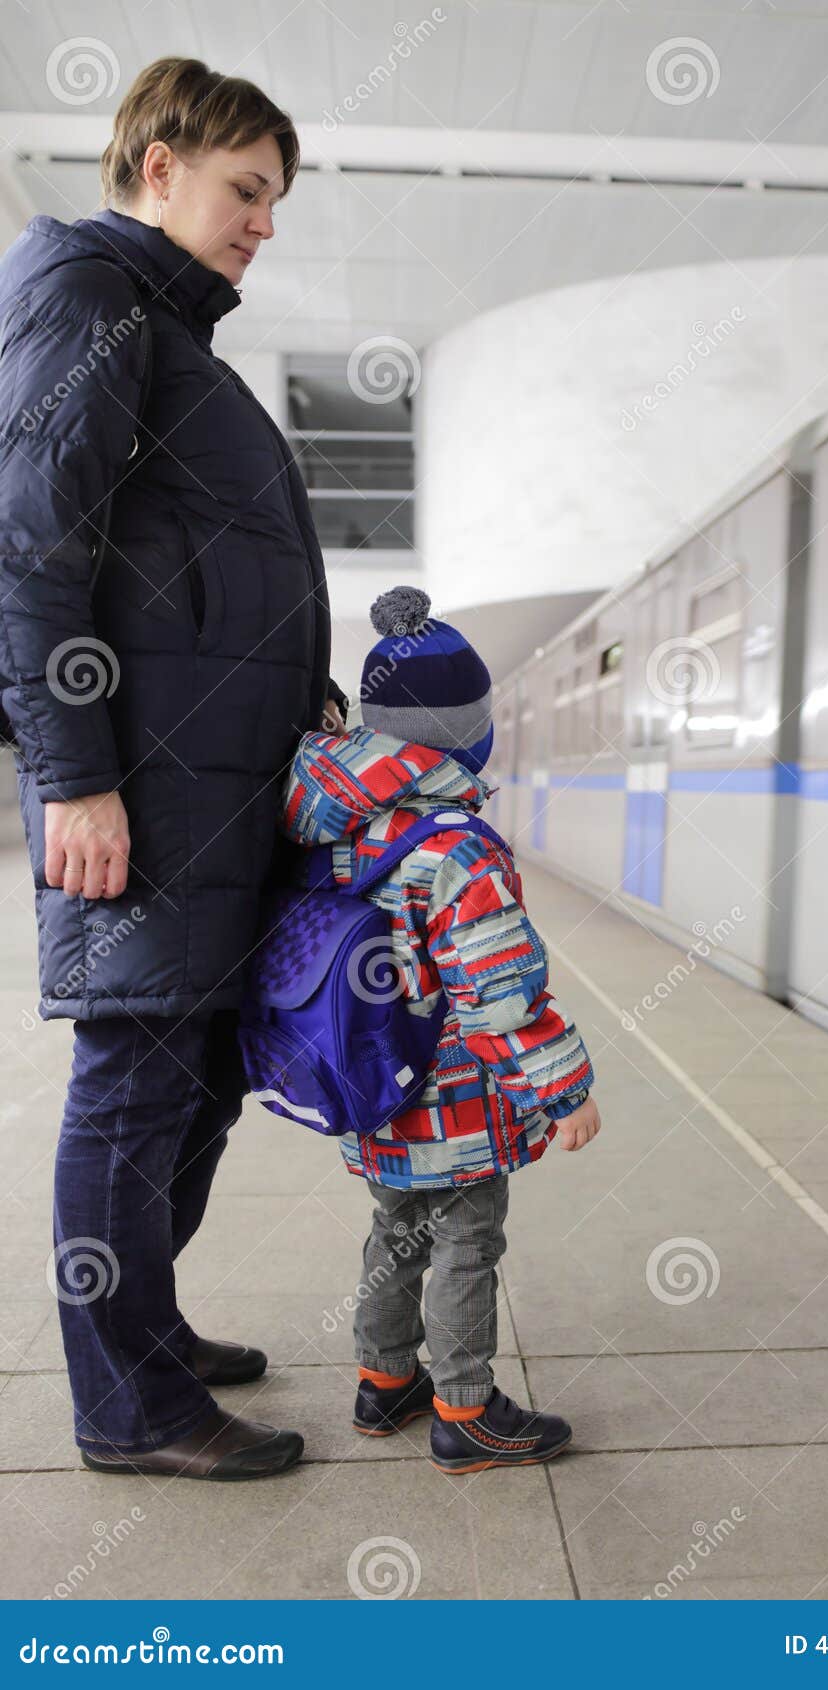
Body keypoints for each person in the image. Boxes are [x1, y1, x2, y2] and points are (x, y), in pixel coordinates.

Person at [0, 58, 348, 1479]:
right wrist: (72, 772)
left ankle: (143, 1321)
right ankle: (129, 1402)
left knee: (196, 1076)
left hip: (209, 784)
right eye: (244, 190)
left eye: (274, 198)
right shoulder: (86, 297)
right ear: (157, 164)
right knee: (139, 1080)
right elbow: (31, 546)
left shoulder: (159, 327)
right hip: (141, 787)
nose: (263, 222)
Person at [280, 586, 601, 1473]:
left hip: (366, 1080)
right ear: (470, 734)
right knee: (466, 1237)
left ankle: (383, 1385)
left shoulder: (327, 829)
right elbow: (499, 991)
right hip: (454, 1095)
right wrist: (563, 1087)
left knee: (396, 1228)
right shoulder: (458, 847)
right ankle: (465, 1412)